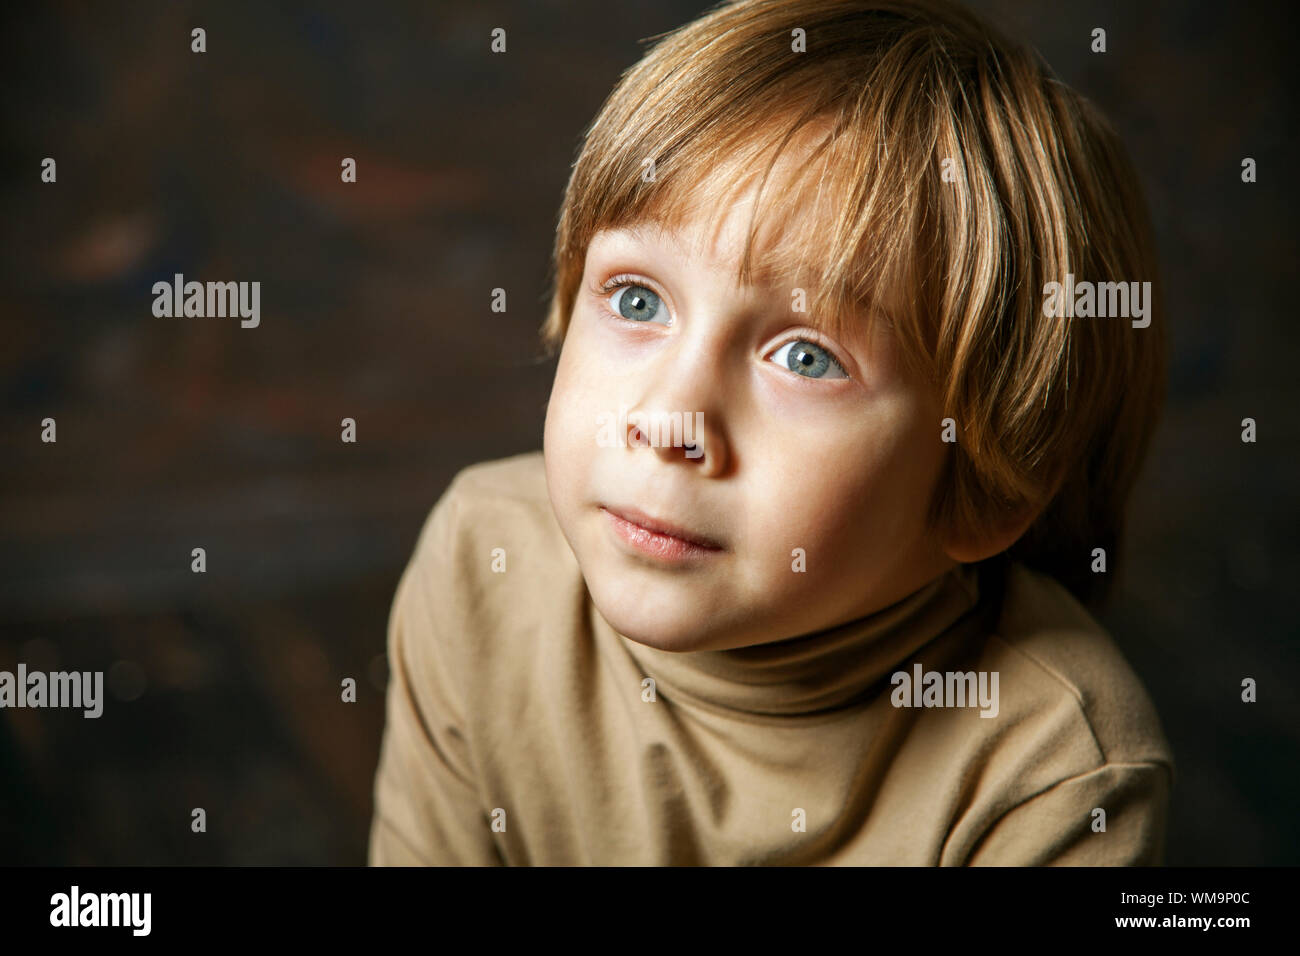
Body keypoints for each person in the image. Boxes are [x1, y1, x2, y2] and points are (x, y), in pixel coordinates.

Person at [369, 0, 1173, 865]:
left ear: (985, 488)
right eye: (638, 300)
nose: (670, 421)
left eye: (806, 357)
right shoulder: (480, 563)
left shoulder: (1053, 773)